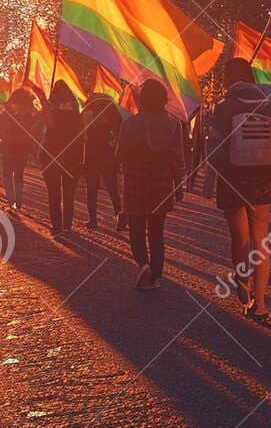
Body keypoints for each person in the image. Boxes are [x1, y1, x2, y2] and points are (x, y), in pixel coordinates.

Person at [208, 58, 271, 322]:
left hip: (232, 177)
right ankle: (261, 303)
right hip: (261, 179)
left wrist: (211, 182)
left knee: (239, 238)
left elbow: (214, 149)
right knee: (261, 238)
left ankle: (243, 286)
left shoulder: (224, 107)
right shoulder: (268, 106)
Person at [117, 79, 185, 290]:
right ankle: (155, 272)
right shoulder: (173, 125)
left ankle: (143, 264)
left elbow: (119, 155)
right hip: (161, 184)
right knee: (157, 231)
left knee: (136, 228)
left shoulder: (129, 124)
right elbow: (178, 159)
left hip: (135, 182)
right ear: (163, 100)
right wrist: (179, 186)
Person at [39, 81, 84, 234]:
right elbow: (49, 126)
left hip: (65, 158)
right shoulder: (51, 109)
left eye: (64, 91)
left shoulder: (73, 113)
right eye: (59, 91)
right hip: (54, 157)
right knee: (57, 196)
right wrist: (44, 103)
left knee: (64, 196)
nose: (63, 95)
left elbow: (80, 136)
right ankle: (60, 227)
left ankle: (64, 227)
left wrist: (45, 104)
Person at [80, 92, 124, 230]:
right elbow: (119, 135)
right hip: (107, 155)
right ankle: (119, 216)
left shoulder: (88, 112)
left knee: (92, 189)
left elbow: (83, 134)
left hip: (91, 156)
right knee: (112, 189)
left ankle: (93, 220)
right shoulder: (113, 113)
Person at [0, 88, 38, 214]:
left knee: (8, 175)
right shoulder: (29, 115)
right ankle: (18, 202)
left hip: (10, 149)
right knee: (19, 176)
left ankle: (11, 201)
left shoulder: (7, 114)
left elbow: (4, 131)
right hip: (23, 150)